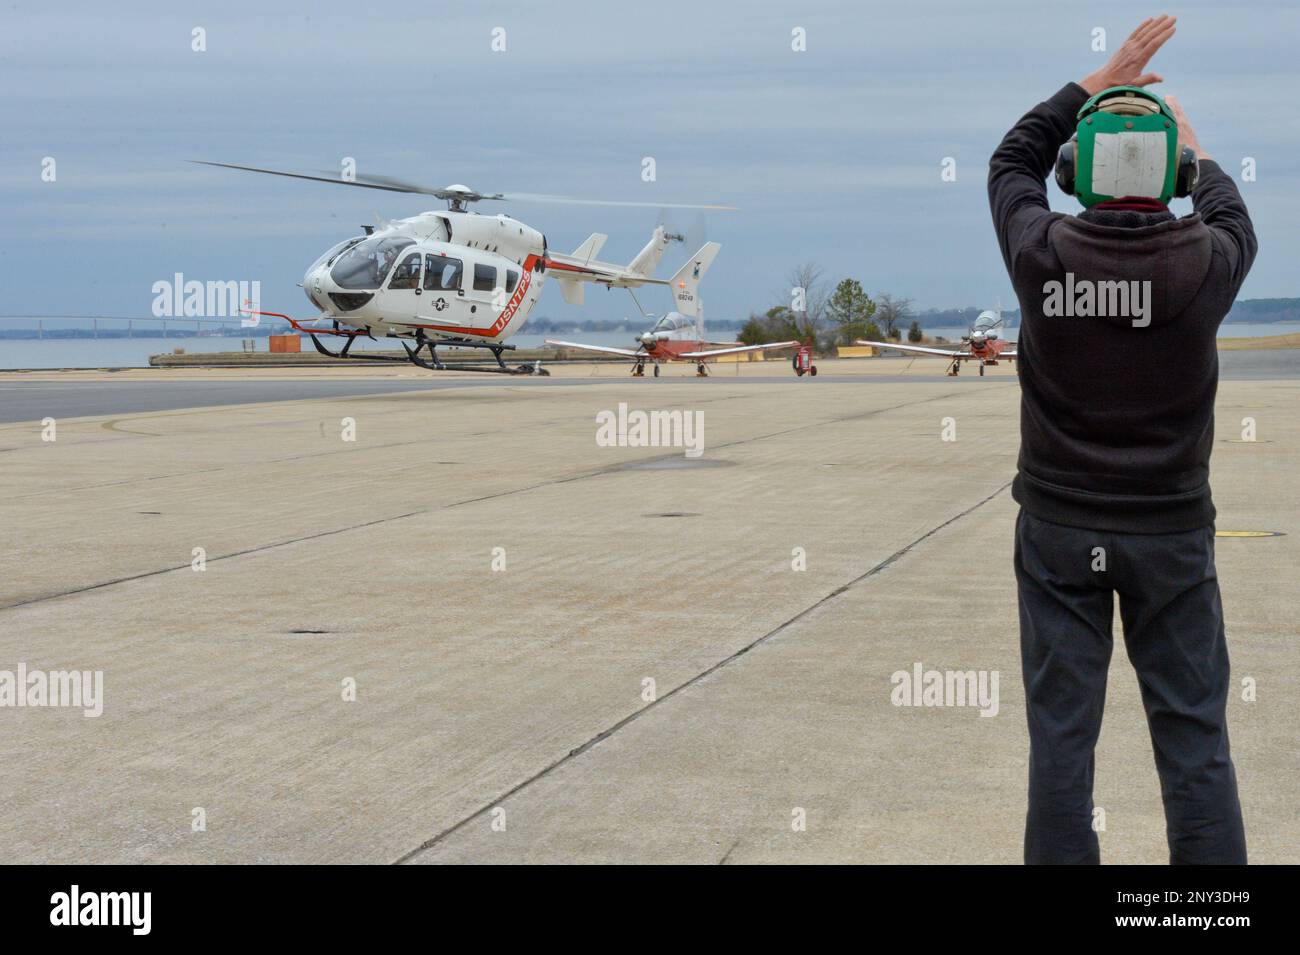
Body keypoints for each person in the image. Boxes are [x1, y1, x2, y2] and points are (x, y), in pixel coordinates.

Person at [987, 15, 1255, 864]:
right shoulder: (1211, 261)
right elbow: (1224, 202)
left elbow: (1010, 161)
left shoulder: (1041, 252)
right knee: (1193, 743)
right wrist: (1191, 147)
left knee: (1062, 746)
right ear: (1174, 176)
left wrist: (1097, 84)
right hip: (1171, 533)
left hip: (1062, 531)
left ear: (1076, 174)